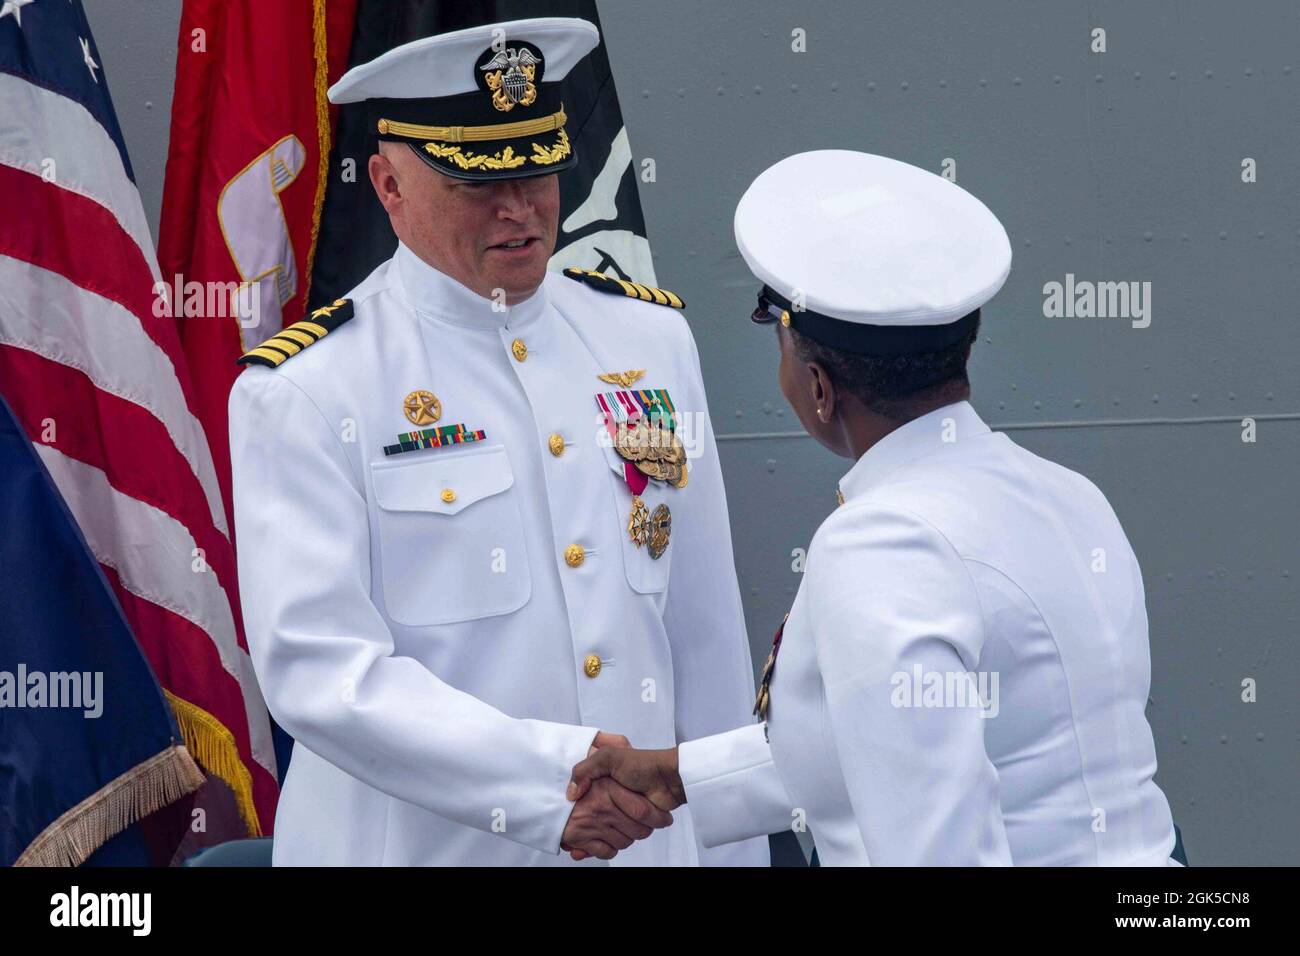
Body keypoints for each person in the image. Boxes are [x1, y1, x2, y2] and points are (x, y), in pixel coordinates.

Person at [228, 17, 766, 866]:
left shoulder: (649, 343)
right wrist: (548, 785)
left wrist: (733, 845)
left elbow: (704, 636)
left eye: (537, 168)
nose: (519, 208)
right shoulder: (310, 389)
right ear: (389, 184)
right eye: (477, 180)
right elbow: (322, 671)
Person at [567, 150, 1181, 866]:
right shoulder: (1069, 497)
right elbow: (898, 737)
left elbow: (934, 848)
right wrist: (677, 776)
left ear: (819, 387)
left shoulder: (883, 547)